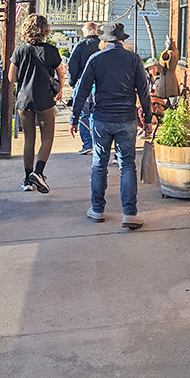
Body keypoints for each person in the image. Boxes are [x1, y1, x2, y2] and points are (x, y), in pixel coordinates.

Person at [70, 21, 151, 228]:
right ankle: (130, 214)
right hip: (126, 118)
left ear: (104, 40)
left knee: (99, 164)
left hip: (101, 119)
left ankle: (97, 210)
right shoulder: (134, 60)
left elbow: (82, 91)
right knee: (127, 165)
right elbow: (143, 91)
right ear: (123, 40)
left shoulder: (96, 59)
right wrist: (148, 119)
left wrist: (74, 117)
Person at [8, 13, 64, 194]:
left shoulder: (20, 51)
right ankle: (38, 173)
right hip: (45, 99)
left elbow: (11, 77)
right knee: (47, 138)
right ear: (45, 29)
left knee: (29, 139)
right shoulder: (52, 51)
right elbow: (61, 74)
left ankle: (27, 180)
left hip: (24, 100)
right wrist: (60, 90)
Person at [67, 21, 100, 154]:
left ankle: (87, 143)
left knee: (82, 114)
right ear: (96, 31)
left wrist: (72, 82)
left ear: (85, 32)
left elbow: (72, 65)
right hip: (98, 85)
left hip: (83, 84)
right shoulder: (102, 45)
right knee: (94, 114)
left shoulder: (80, 46)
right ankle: (96, 141)